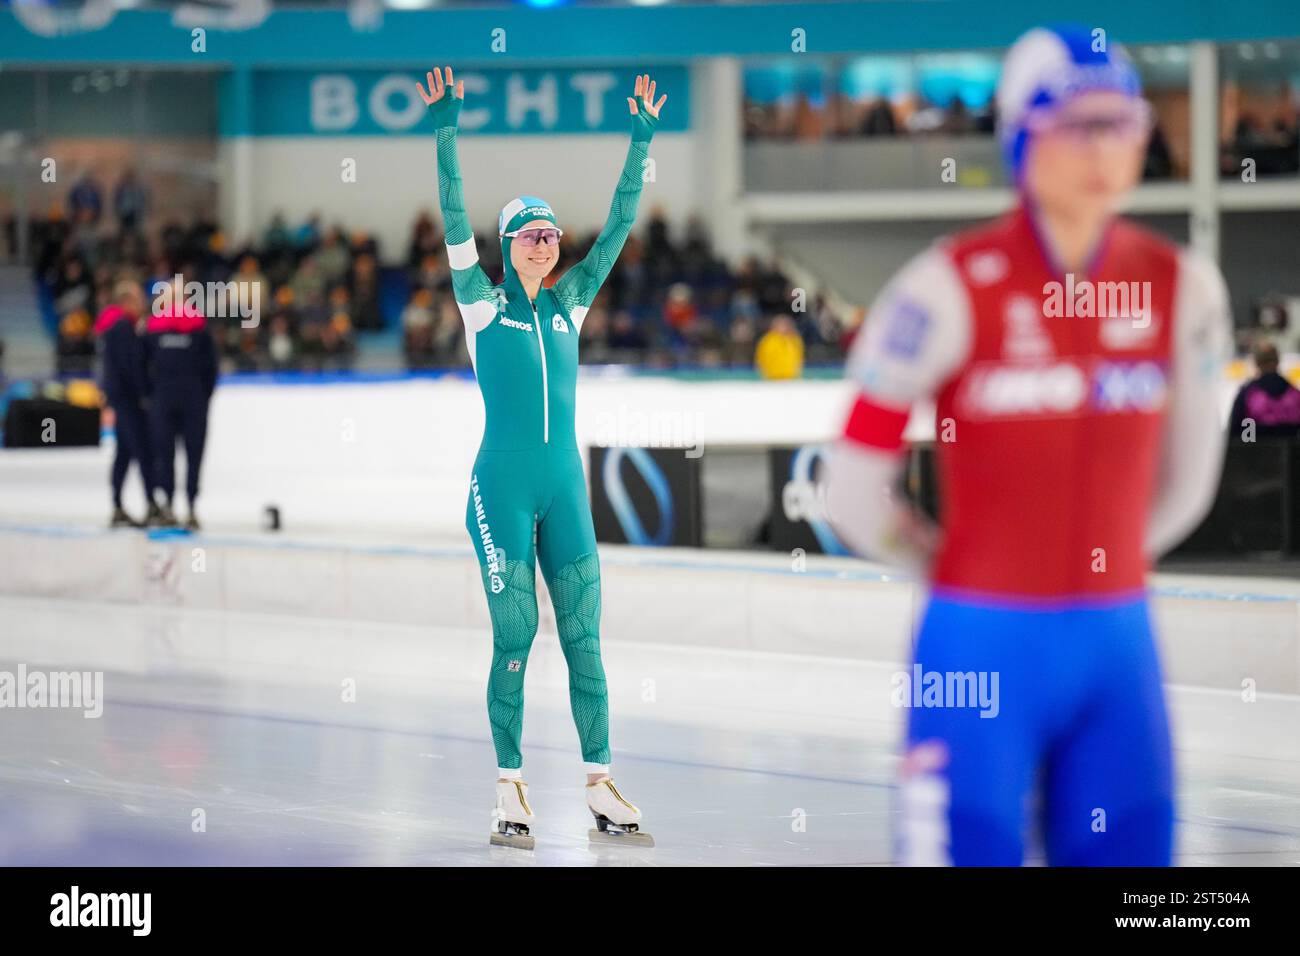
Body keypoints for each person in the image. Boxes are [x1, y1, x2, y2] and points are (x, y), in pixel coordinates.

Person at [824, 25, 1230, 866]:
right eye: (1079, 123)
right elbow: (850, 489)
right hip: (976, 647)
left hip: (1118, 646)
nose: (1105, 146)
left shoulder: (1183, 287)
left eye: (1123, 123)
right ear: (1020, 137)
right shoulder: (944, 287)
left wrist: (1095, 560)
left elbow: (1190, 482)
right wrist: (956, 568)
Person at [420, 66, 665, 850]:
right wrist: (447, 128)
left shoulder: (570, 303)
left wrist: (641, 140)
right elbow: (453, 209)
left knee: (586, 635)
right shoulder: (478, 301)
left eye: (554, 234)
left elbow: (622, 225)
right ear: (507, 244)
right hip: (501, 488)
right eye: (533, 233)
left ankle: (600, 782)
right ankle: (510, 786)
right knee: (517, 635)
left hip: (565, 491)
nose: (549, 243)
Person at [144, 279, 218, 531]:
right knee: (181, 454)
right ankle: (184, 505)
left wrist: (151, 395)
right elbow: (211, 369)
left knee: (173, 454)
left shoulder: (156, 330)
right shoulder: (195, 327)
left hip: (169, 401)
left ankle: (180, 504)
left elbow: (145, 368)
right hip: (188, 401)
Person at [95, 281, 153, 527]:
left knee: (125, 453)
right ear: (126, 302)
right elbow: (129, 368)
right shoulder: (122, 329)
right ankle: (153, 503)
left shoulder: (118, 328)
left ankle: (118, 505)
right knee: (141, 450)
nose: (143, 304)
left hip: (121, 399)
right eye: (138, 299)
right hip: (127, 400)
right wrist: (143, 395)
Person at [1227, 341, 1300, 441]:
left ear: (1257, 362)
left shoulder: (1248, 394)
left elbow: (1235, 432)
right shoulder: (1295, 394)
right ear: (1278, 361)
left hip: (1256, 454)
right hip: (1291, 455)